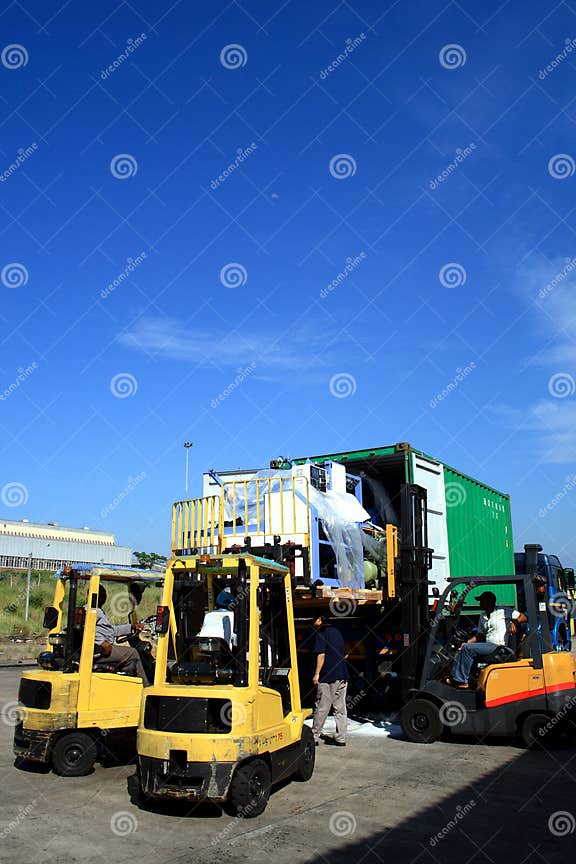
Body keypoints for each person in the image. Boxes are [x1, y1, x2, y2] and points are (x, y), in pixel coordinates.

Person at [448, 591, 527, 689]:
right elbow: (480, 636)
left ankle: (460, 680)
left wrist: (514, 622)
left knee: (468, 649)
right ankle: (466, 681)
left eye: (481, 601)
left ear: (489, 601)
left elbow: (523, 617)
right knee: (464, 649)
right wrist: (466, 643)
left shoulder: (503, 611)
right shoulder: (483, 616)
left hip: (499, 648)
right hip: (488, 646)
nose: (479, 603)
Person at [94, 586, 150, 684]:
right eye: (101, 595)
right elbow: (87, 627)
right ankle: (146, 686)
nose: (104, 597)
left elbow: (111, 631)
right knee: (133, 653)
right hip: (99, 650)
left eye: (104, 595)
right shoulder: (92, 611)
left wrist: (131, 627)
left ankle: (127, 680)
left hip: (102, 647)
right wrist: (101, 642)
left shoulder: (99, 611)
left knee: (127, 655)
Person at [311, 614, 349, 747]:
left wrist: (316, 674)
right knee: (340, 708)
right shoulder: (337, 632)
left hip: (328, 676)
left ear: (320, 619)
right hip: (342, 675)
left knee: (322, 707)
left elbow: (321, 655)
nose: (313, 622)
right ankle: (341, 738)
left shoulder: (321, 633)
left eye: (314, 619)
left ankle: (314, 736)